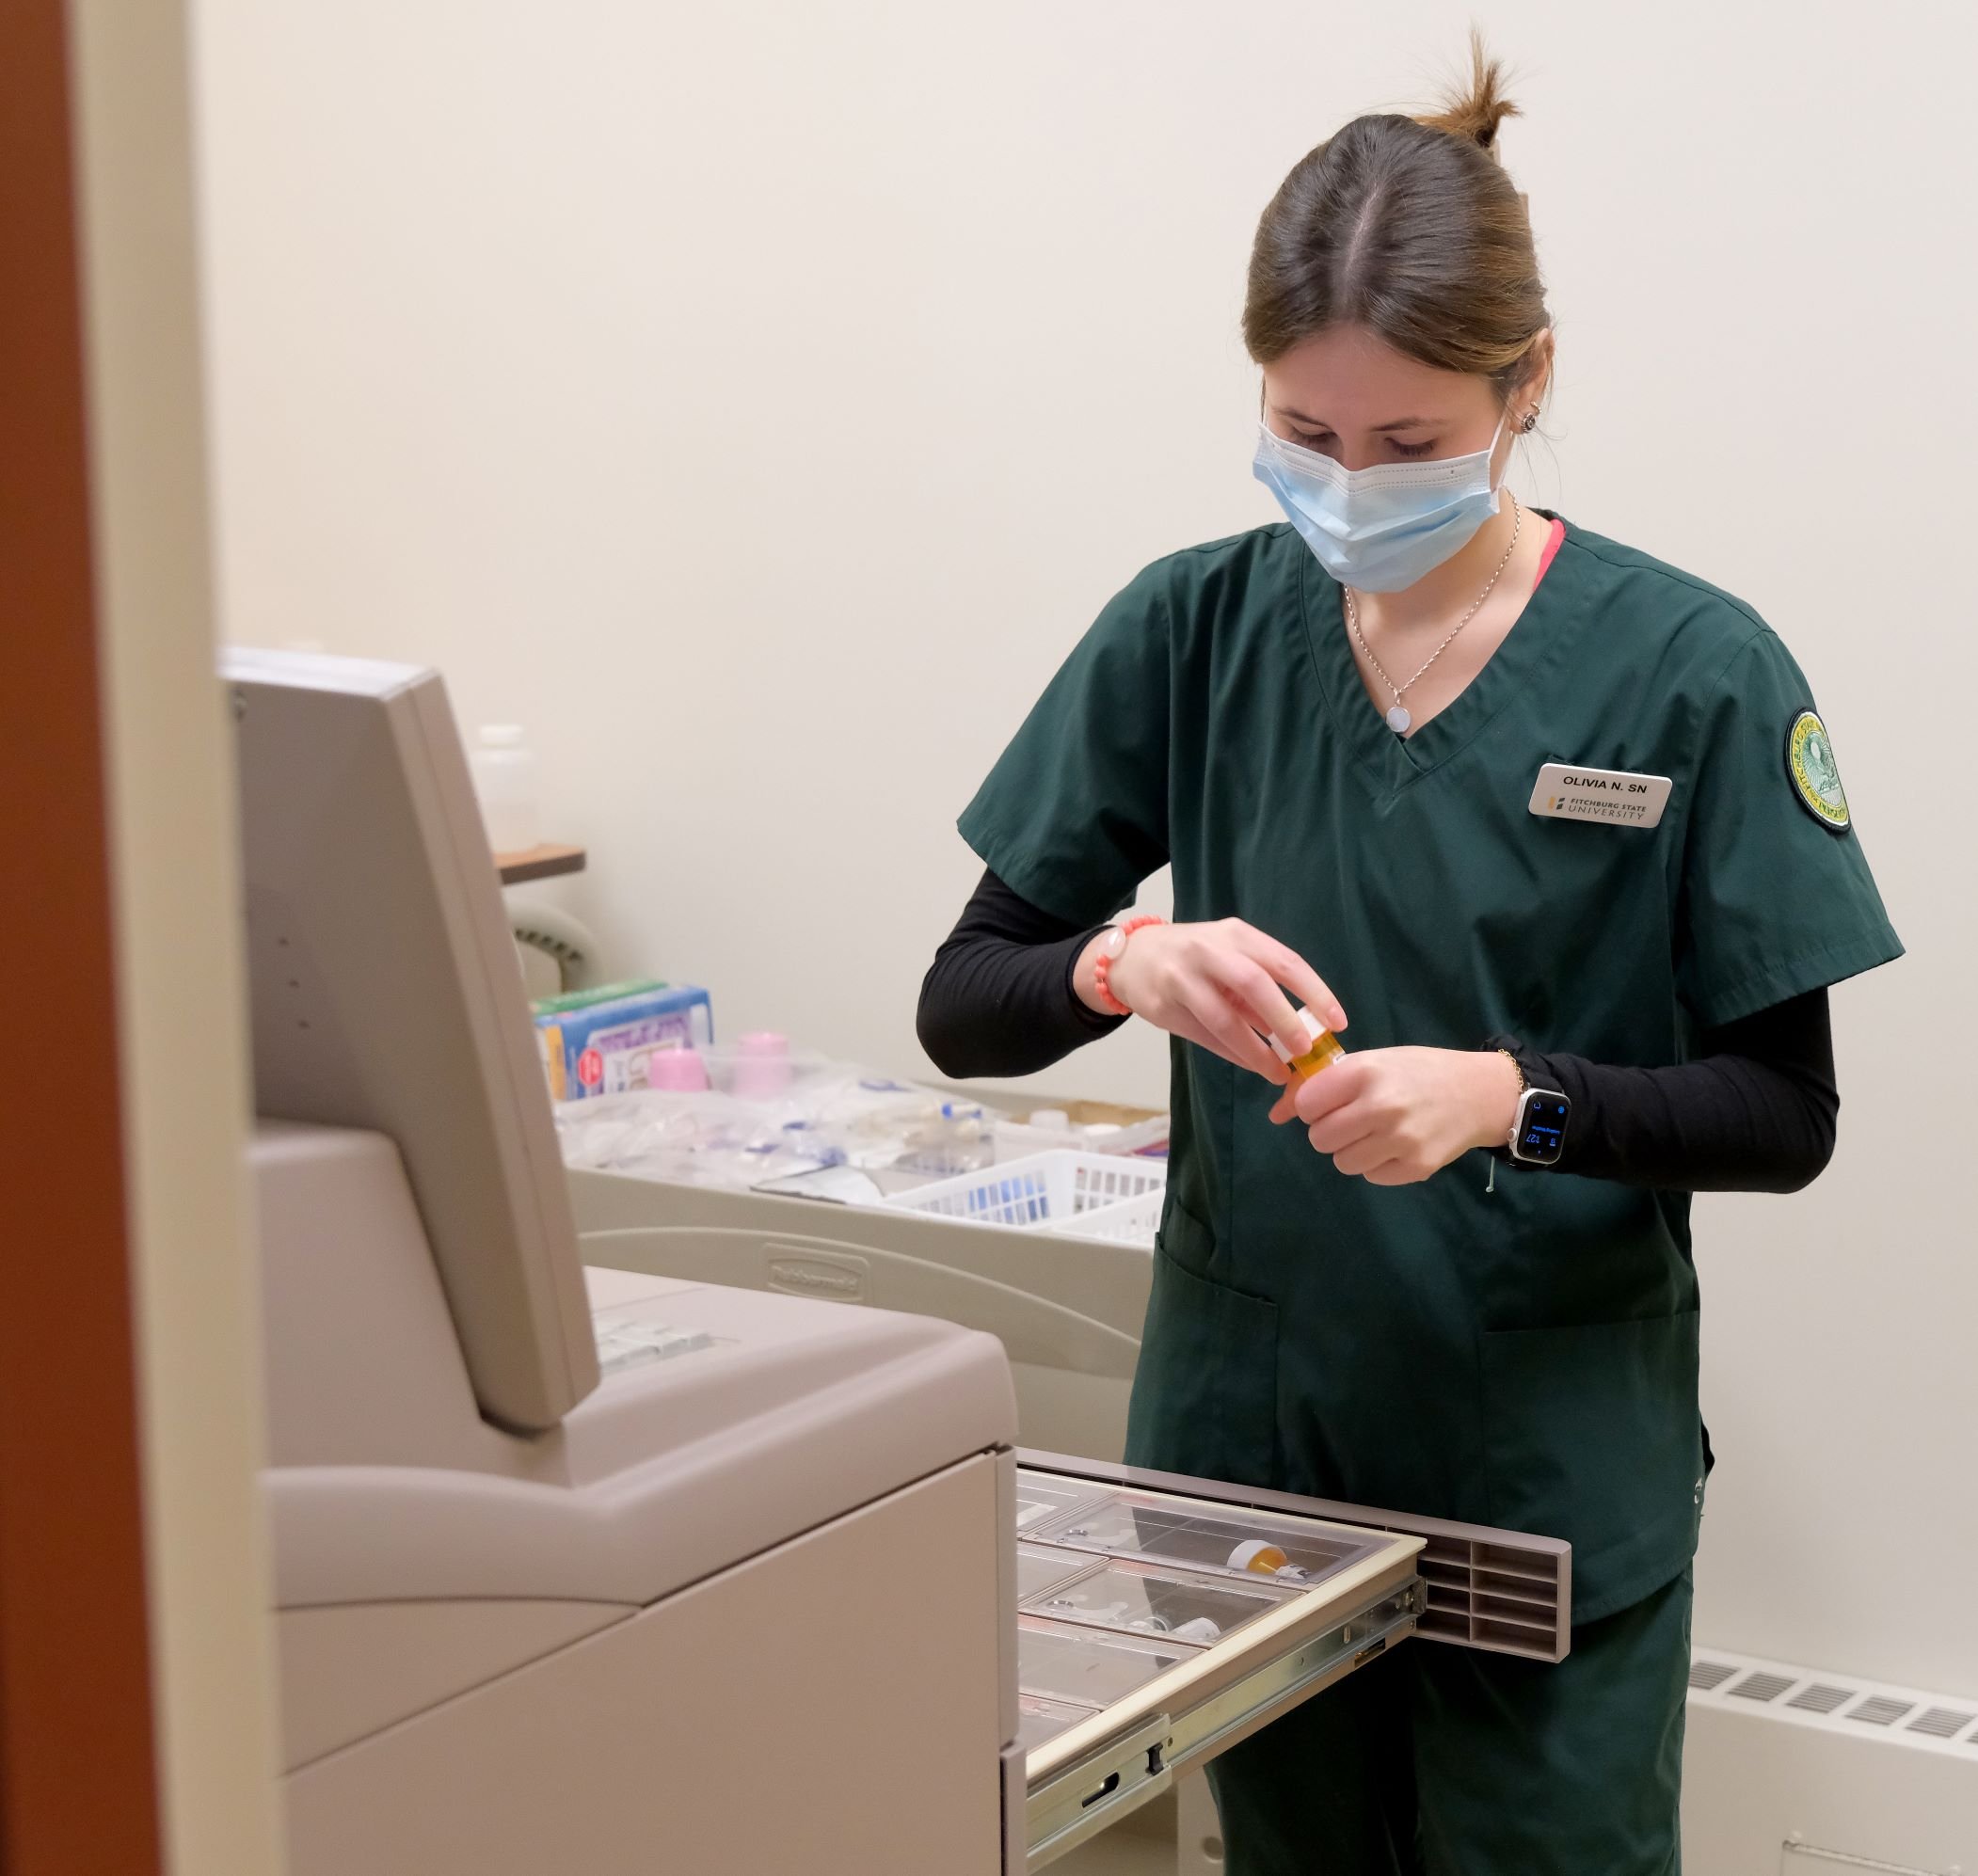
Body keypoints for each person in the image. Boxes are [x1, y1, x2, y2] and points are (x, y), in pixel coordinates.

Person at [918, 40, 1902, 1876]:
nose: (1349, 486)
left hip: (1537, 1468)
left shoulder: (1692, 669)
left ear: (1525, 384)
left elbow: (1782, 1113)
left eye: (1407, 444)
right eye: (1303, 434)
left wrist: (1509, 1101)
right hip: (1250, 1451)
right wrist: (1123, 967)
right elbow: (967, 1002)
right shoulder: (1191, 630)